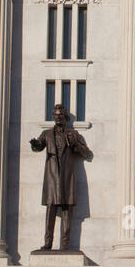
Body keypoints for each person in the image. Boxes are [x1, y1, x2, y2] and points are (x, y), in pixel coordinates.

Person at [30, 103, 91, 251]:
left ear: (65, 117)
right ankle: (48, 243)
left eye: (61, 115)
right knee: (50, 209)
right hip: (52, 177)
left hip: (67, 177)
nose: (58, 117)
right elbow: (38, 146)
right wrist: (35, 144)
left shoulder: (73, 134)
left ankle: (65, 245)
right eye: (56, 115)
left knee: (66, 210)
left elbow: (86, 153)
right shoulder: (47, 134)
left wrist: (75, 142)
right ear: (53, 116)